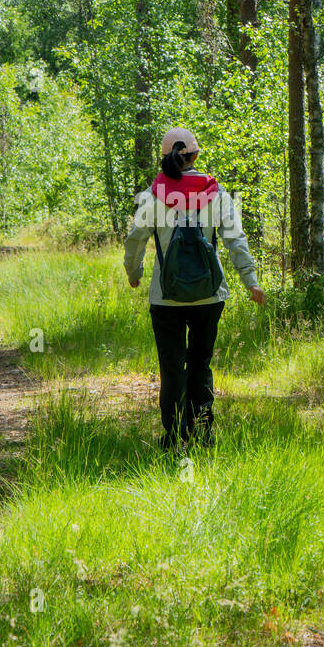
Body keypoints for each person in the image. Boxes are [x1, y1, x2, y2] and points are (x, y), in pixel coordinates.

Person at [124, 127, 264, 449]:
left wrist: (134, 272)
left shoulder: (152, 195)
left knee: (172, 370)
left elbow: (135, 240)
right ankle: (202, 434)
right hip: (209, 297)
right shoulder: (216, 193)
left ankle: (173, 439)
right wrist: (250, 280)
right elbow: (235, 240)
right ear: (196, 155)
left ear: (165, 158)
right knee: (201, 365)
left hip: (166, 299)